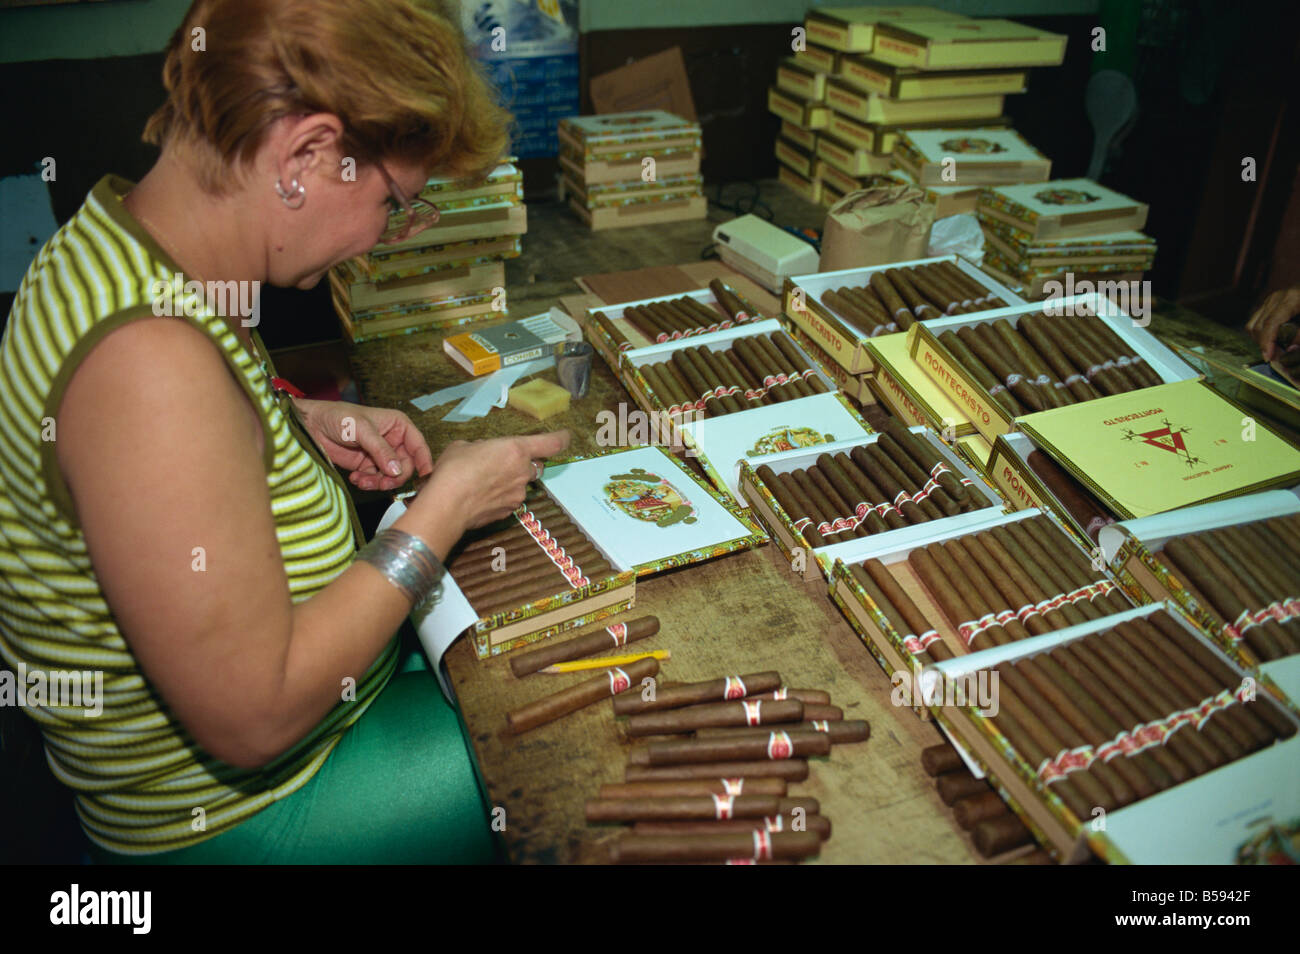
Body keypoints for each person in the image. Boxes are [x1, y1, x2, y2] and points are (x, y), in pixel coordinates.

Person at [0, 0, 567, 863]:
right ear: (306, 155)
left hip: (313, 732)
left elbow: (151, 444)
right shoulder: (148, 365)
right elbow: (254, 716)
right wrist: (440, 511)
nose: (379, 241)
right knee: (574, 732)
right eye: (392, 204)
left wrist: (288, 420)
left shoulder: (123, 243)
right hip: (248, 817)